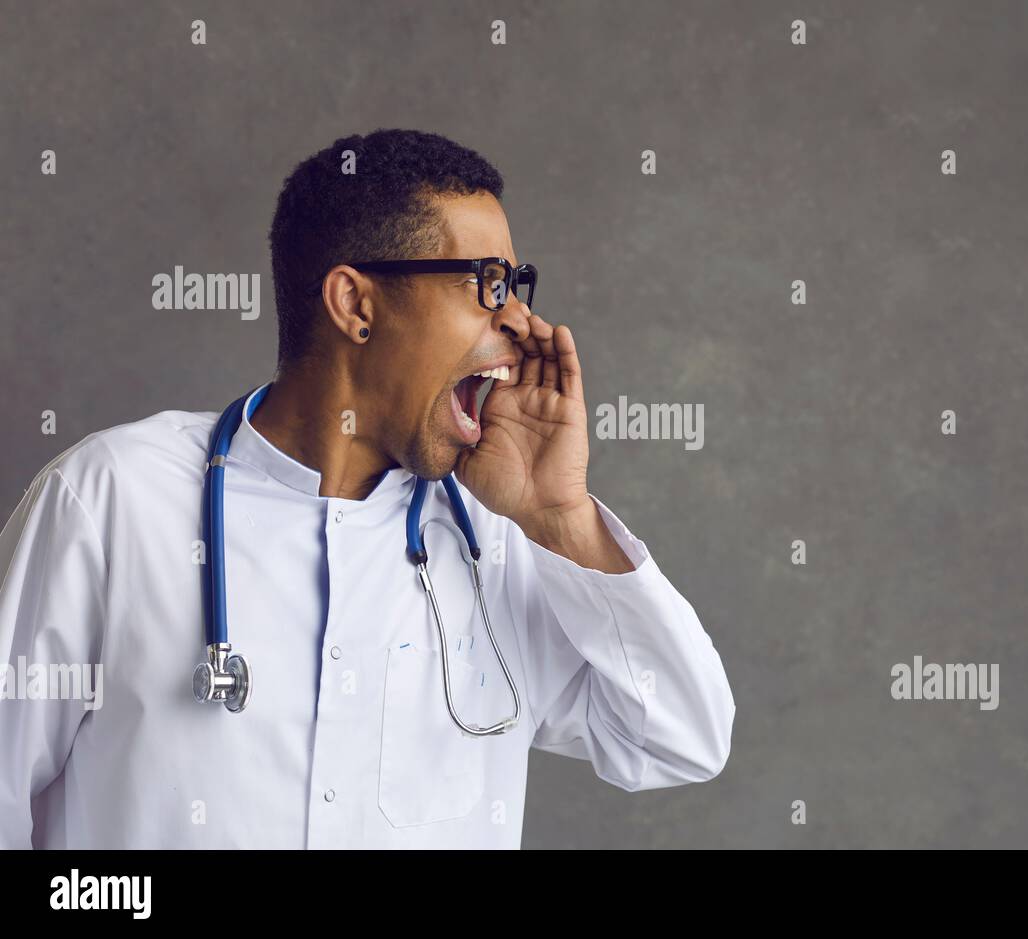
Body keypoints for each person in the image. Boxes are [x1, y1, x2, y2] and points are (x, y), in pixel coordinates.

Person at [0, 129, 735, 848]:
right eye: (487, 284)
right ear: (355, 303)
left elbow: (681, 736)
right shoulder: (109, 501)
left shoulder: (500, 540)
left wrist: (564, 518)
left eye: (516, 287)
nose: (519, 319)